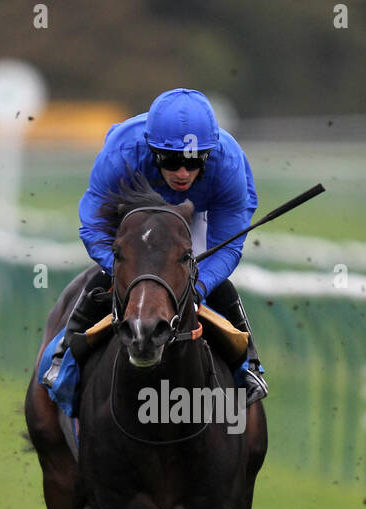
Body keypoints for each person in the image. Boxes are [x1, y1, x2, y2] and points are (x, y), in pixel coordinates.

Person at [40, 88, 266, 415]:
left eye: (194, 161)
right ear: (152, 150)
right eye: (171, 161)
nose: (183, 173)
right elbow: (92, 229)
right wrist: (123, 268)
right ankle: (64, 355)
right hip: (134, 208)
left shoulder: (227, 164)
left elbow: (227, 246)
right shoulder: (123, 153)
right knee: (108, 275)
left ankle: (249, 367)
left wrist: (196, 287)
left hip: (200, 213)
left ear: (209, 154)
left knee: (215, 284)